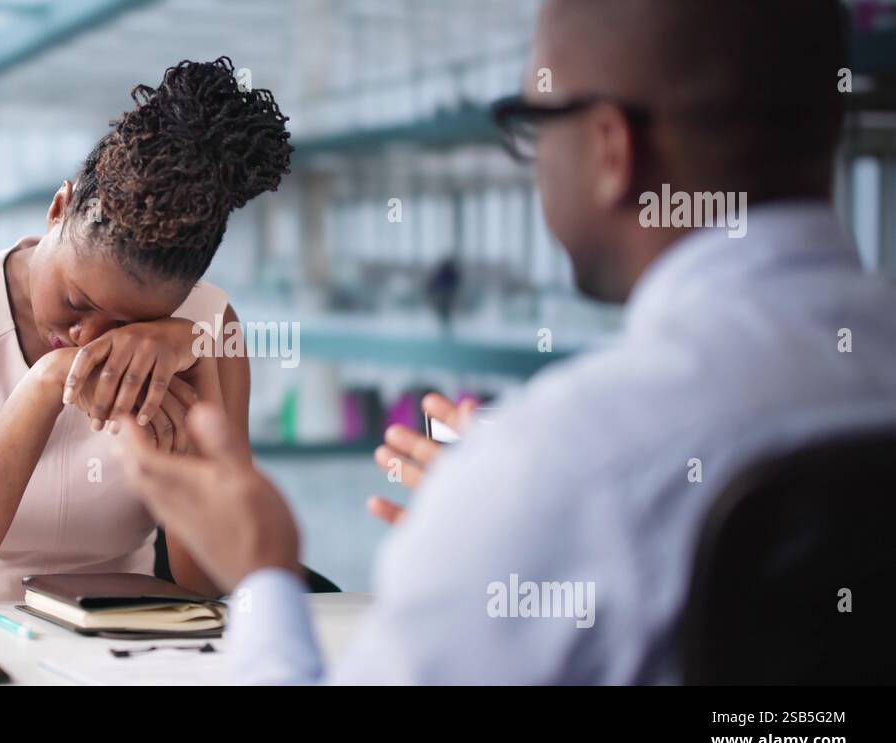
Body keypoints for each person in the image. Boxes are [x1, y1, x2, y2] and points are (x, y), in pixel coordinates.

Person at [115, 0, 896, 683]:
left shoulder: (562, 461)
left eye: (532, 125)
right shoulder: (558, 471)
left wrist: (261, 570)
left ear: (608, 150)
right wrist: (505, 516)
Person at [0, 58, 292, 604]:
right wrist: (48, 385)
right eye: (77, 301)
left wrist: (198, 372)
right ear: (59, 209)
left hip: (133, 641)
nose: (87, 337)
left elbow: (213, 581)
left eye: (129, 324)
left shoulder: (211, 328)